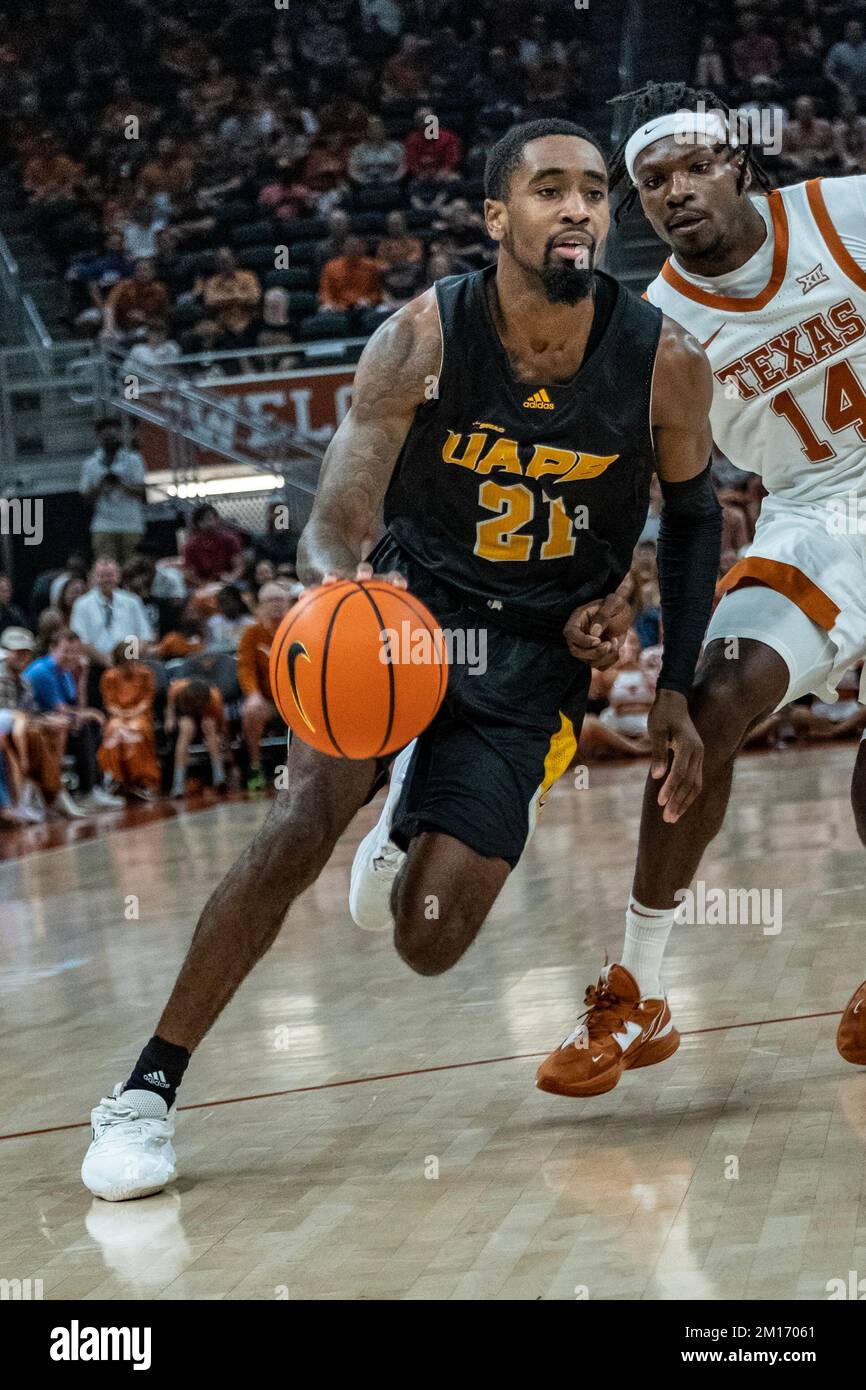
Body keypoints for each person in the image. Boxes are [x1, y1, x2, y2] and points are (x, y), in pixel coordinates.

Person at [81, 118, 720, 1201]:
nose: (576, 208)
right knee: (293, 826)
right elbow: (333, 519)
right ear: (493, 217)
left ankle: (416, 797)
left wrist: (669, 680)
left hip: (533, 661)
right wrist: (349, 601)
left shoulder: (662, 359)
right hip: (406, 623)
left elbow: (694, 517)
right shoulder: (420, 337)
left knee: (426, 938)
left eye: (592, 192)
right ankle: (144, 1093)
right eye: (546, 189)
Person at [535, 81, 866, 1102]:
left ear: (738, 164)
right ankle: (640, 989)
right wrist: (614, 592)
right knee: (705, 704)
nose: (675, 191)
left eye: (692, 166)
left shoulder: (845, 214)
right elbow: (643, 490)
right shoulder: (656, 335)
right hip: (814, 517)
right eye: (651, 182)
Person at [25, 629, 123, 811]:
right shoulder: (42, 671)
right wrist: (93, 714)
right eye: (66, 651)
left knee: (87, 726)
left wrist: (82, 677)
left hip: (59, 724)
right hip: (39, 726)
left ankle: (93, 788)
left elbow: (77, 707)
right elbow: (62, 710)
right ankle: (85, 791)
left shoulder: (66, 671)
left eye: (76, 652)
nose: (72, 657)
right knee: (87, 725)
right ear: (52, 648)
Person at [0, 627, 81, 821]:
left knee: (53, 729)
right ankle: (55, 793)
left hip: (18, 730)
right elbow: (7, 718)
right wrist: (44, 721)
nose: (23, 656)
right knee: (36, 734)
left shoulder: (24, 681)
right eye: (17, 651)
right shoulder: (2, 678)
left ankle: (46, 797)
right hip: (6, 732)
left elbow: (28, 714)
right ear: (4, 652)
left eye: (26, 652)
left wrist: (46, 720)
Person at [236, 581, 293, 791]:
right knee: (251, 710)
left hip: (295, 700)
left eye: (280, 600)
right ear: (259, 607)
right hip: (267, 700)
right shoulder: (251, 633)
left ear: (288, 604)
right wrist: (252, 694)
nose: (276, 605)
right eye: (270, 600)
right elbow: (246, 668)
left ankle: (302, 769)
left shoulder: (298, 628)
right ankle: (255, 765)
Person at [79, 419, 147, 564]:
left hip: (131, 524)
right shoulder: (90, 464)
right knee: (106, 566)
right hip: (103, 525)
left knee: (133, 567)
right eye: (106, 438)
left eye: (113, 437)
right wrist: (102, 484)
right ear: (98, 437)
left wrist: (120, 483)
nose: (110, 441)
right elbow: (85, 497)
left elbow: (142, 491)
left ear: (120, 435)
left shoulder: (133, 460)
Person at [98, 643, 161, 801]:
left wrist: (132, 713)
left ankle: (143, 781)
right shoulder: (110, 676)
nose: (132, 664)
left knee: (137, 729)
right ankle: (115, 779)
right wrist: (122, 714)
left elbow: (147, 700)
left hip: (140, 714)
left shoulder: (145, 673)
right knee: (114, 731)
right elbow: (109, 704)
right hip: (117, 715)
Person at [164, 676, 228, 798]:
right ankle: (178, 785)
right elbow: (171, 703)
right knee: (186, 728)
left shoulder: (215, 698)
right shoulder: (177, 688)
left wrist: (220, 736)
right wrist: (170, 717)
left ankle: (219, 777)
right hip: (185, 716)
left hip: (206, 716)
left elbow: (221, 724)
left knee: (210, 727)